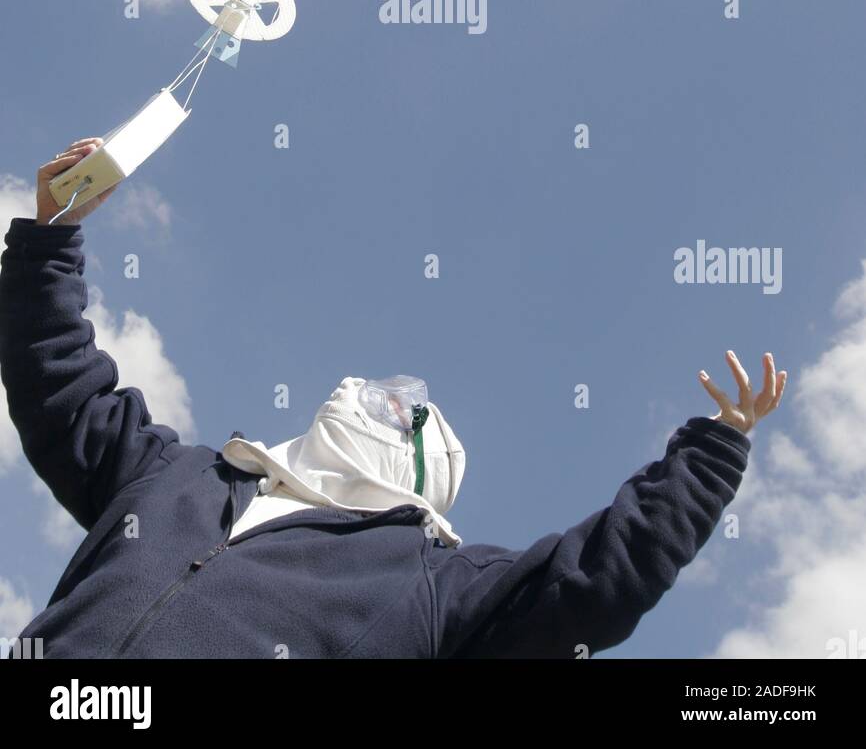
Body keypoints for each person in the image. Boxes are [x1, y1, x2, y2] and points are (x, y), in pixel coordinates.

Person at [0, 138, 787, 661]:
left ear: (422, 476)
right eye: (376, 387)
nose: (374, 394)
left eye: (404, 406)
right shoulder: (175, 476)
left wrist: (712, 453)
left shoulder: (431, 582)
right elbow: (60, 380)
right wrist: (48, 238)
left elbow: (591, 583)